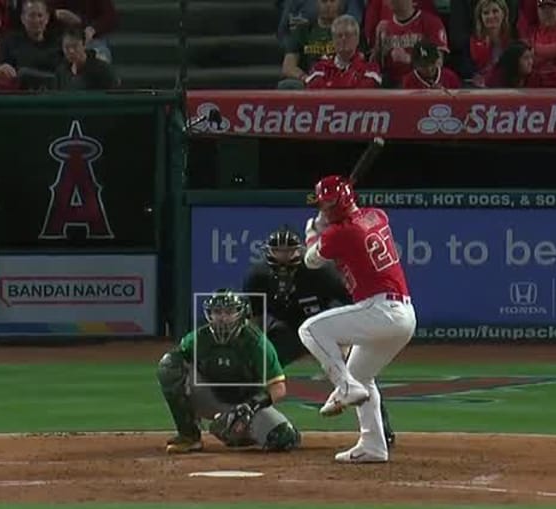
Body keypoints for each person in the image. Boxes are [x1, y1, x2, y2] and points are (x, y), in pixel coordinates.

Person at [297, 174, 416, 464]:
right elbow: (350, 227)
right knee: (361, 374)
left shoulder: (341, 233)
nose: (324, 209)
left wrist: (313, 232)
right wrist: (328, 225)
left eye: (327, 204)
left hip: (381, 310)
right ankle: (373, 445)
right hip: (403, 315)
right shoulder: (377, 215)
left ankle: (344, 387)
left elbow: (311, 260)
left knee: (310, 330)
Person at [245, 226, 395, 449]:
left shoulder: (321, 273)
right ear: (268, 252)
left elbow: (354, 303)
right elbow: (255, 322)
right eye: (278, 251)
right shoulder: (259, 277)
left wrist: (348, 340)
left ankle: (382, 431)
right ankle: (248, 424)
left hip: (327, 331)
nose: (284, 256)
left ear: (300, 251)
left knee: (359, 373)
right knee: (254, 367)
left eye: (289, 251)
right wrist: (258, 352)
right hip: (290, 332)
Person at [158, 290, 301, 455]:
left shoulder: (256, 342)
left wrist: (250, 406)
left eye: (228, 312)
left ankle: (238, 432)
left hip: (247, 406)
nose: (222, 317)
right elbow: (175, 362)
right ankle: (189, 436)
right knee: (169, 366)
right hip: (209, 397)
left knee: (284, 437)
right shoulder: (198, 338)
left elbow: (278, 388)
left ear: (241, 314)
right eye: (217, 312)